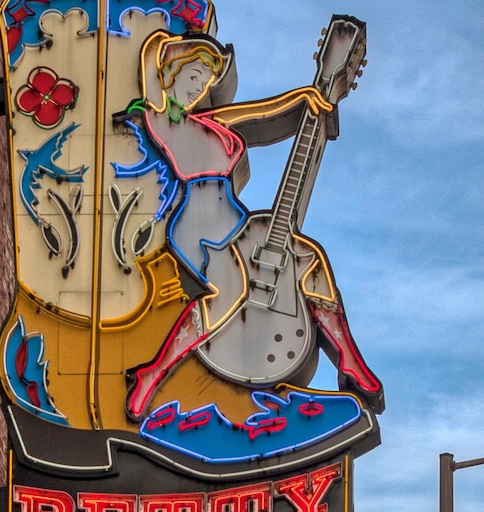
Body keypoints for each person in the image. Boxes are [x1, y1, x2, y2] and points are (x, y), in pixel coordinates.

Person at [114, 30, 383, 420]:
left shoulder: (208, 122)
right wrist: (169, 46)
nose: (198, 89)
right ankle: (150, 376)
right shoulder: (160, 116)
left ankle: (350, 361)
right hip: (198, 226)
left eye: (204, 83)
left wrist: (303, 97)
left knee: (308, 259)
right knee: (228, 292)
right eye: (192, 79)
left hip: (236, 223)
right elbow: (151, 56)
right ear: (171, 76)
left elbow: (256, 114)